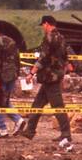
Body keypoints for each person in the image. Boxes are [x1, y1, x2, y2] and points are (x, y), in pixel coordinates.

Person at [19, 15, 74, 152]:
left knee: (58, 106)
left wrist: (32, 73)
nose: (43, 28)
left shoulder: (49, 37)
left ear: (47, 24)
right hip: (54, 75)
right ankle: (30, 130)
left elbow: (43, 57)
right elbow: (65, 55)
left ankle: (66, 134)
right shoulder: (61, 37)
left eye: (43, 25)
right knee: (37, 104)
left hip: (50, 77)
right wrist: (67, 67)